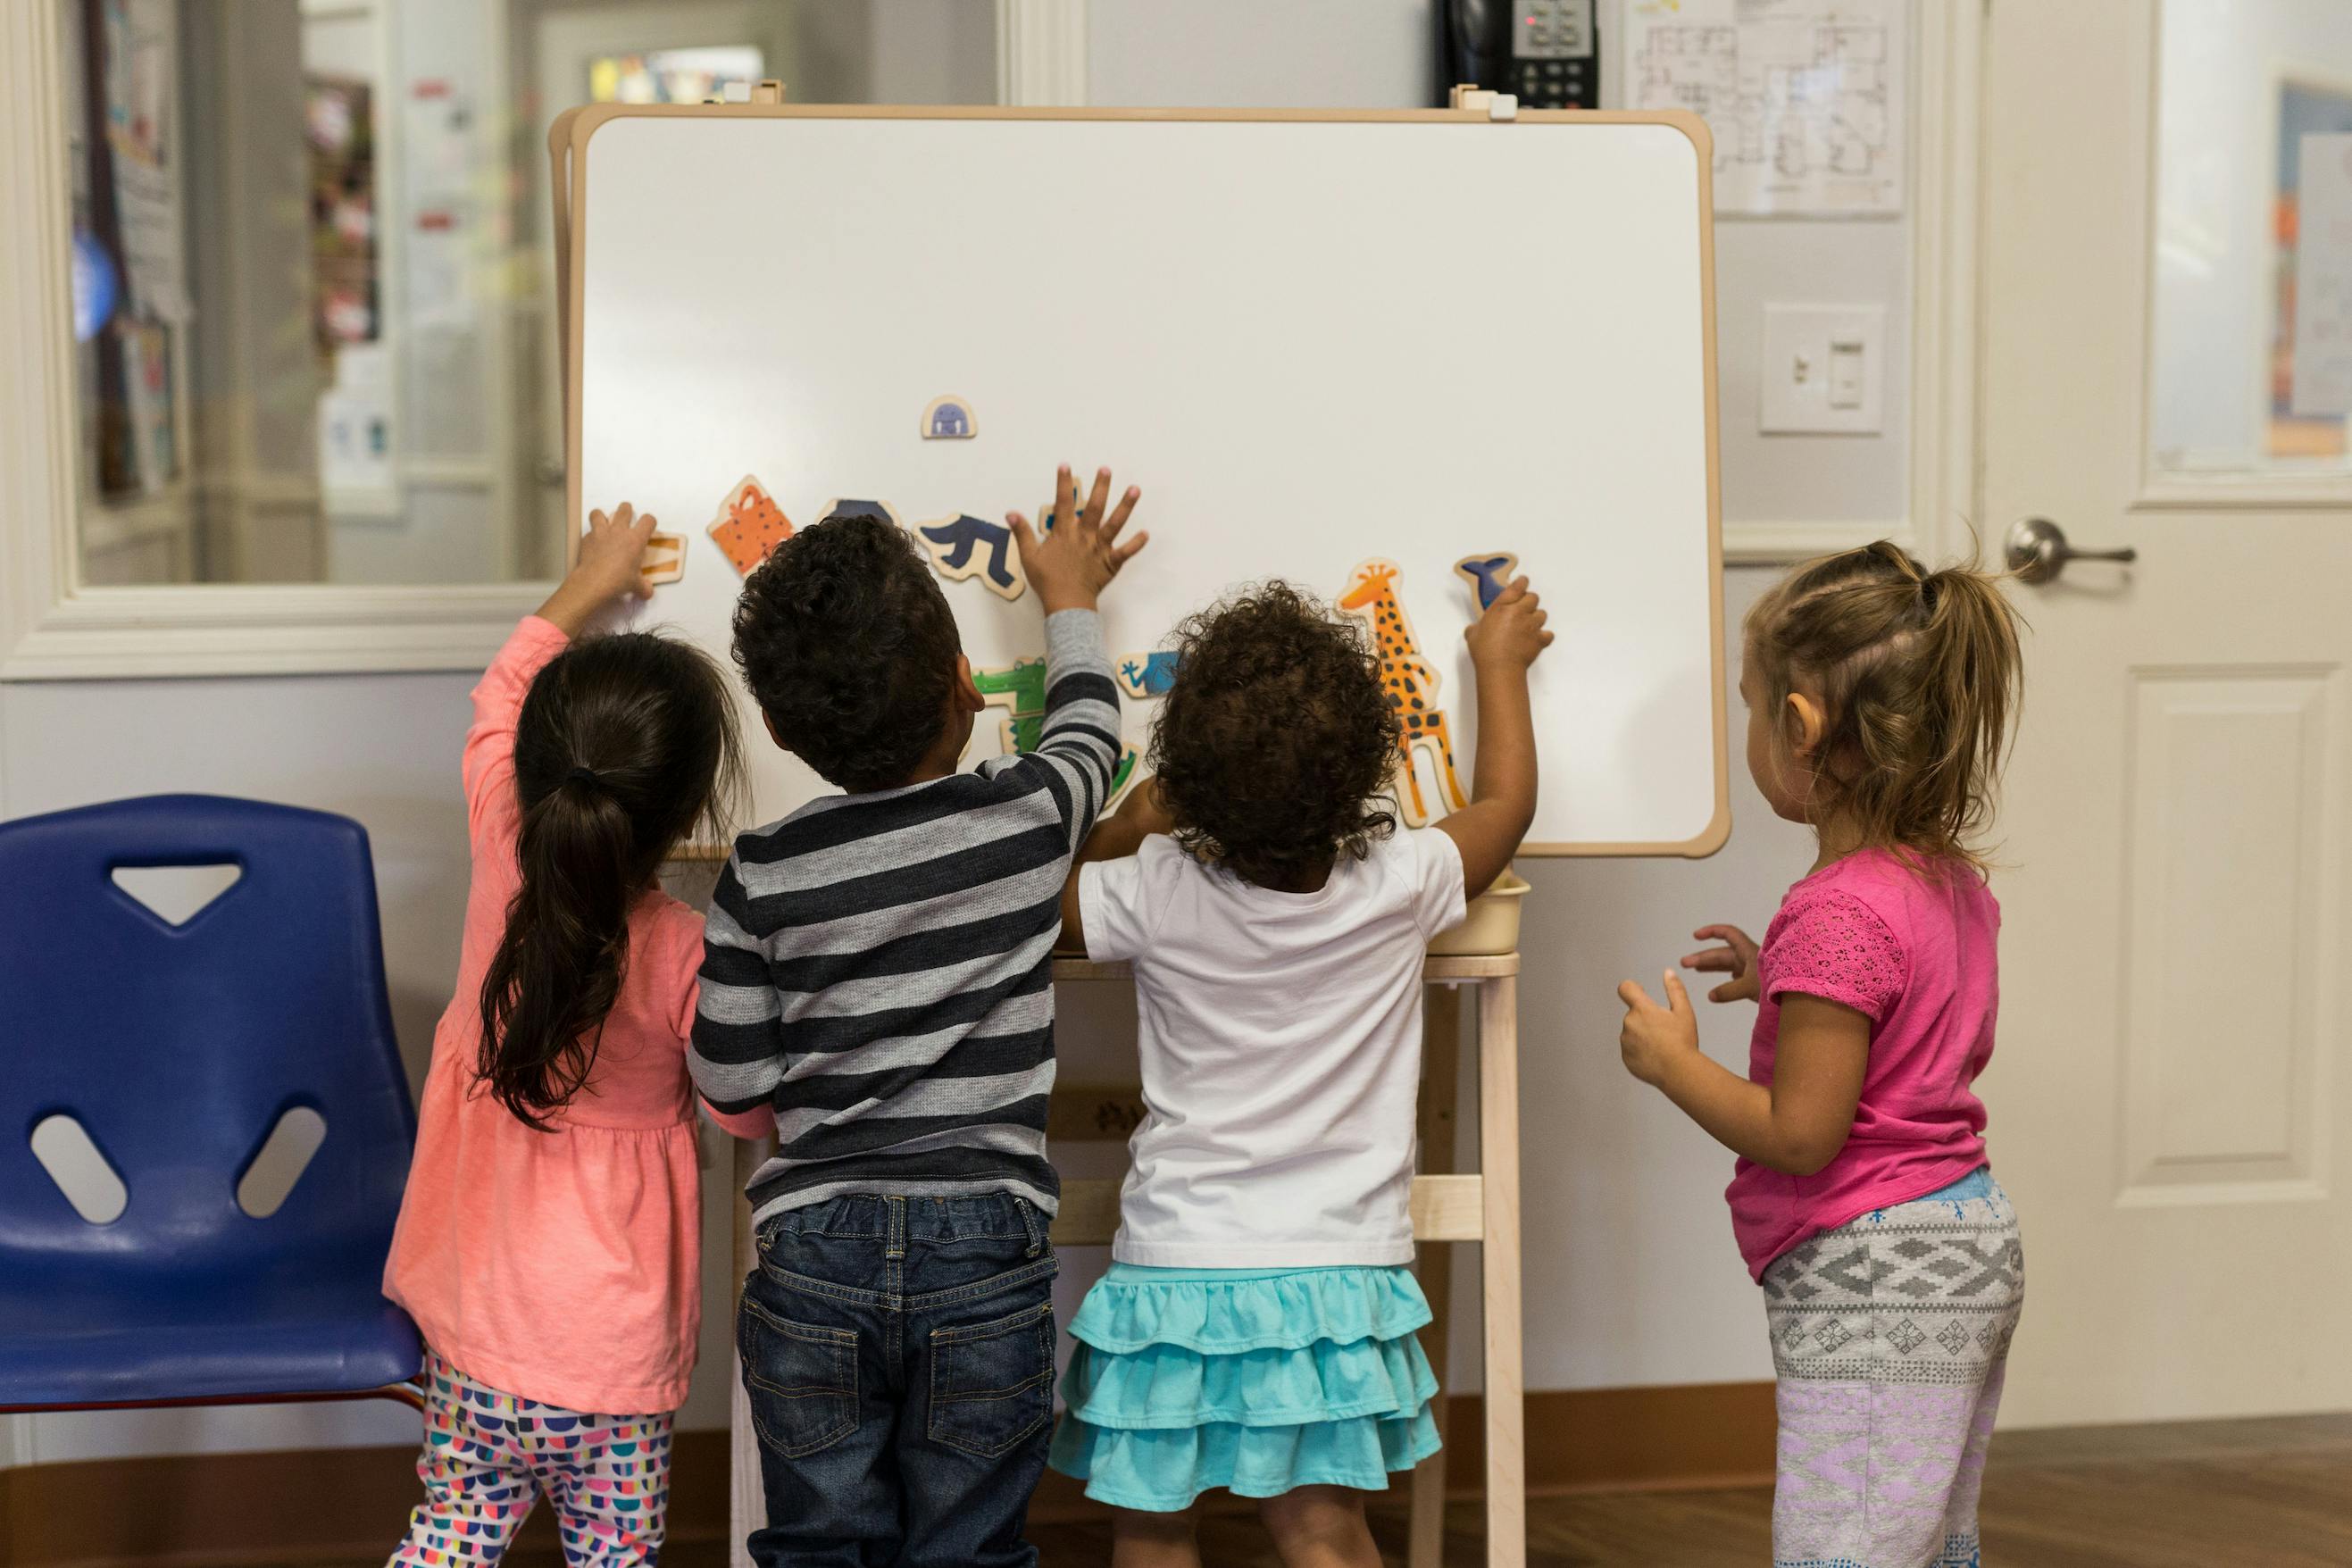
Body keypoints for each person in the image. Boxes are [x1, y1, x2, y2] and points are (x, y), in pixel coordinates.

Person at [690, 466, 1145, 1567]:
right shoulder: (1025, 819)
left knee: (822, 1546)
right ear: (965, 684)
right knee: (969, 1548)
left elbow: (731, 1084)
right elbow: (1092, 736)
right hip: (984, 1245)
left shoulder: (765, 868)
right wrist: (1069, 602)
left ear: (783, 732)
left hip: (810, 1254)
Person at [1049, 575, 1552, 1568]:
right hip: (1336, 1278)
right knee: (1322, 1527)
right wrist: (1499, 665)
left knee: (1153, 1526)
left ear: (1188, 773)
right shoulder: (1403, 880)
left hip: (1179, 1269)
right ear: (1362, 760)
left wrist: (1135, 818)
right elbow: (1505, 802)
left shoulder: (1154, 885)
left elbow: (1050, 899)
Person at [1614, 540, 2027, 1568]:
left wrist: (1675, 1063)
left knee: (1844, 1544)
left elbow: (1802, 1133)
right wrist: (1784, 981)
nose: (1750, 729)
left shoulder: (1838, 908)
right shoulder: (1945, 883)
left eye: (1754, 707)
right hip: (1968, 1238)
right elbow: (1918, 1028)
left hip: (1875, 1266)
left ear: (1799, 729)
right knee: (1925, 1534)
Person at [383, 503, 744, 1566]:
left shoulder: (503, 849)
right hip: (613, 1372)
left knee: (446, 1539)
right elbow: (744, 1102)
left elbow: (501, 694)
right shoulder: (686, 950)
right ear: (682, 825)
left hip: (477, 1345)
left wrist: (589, 583)